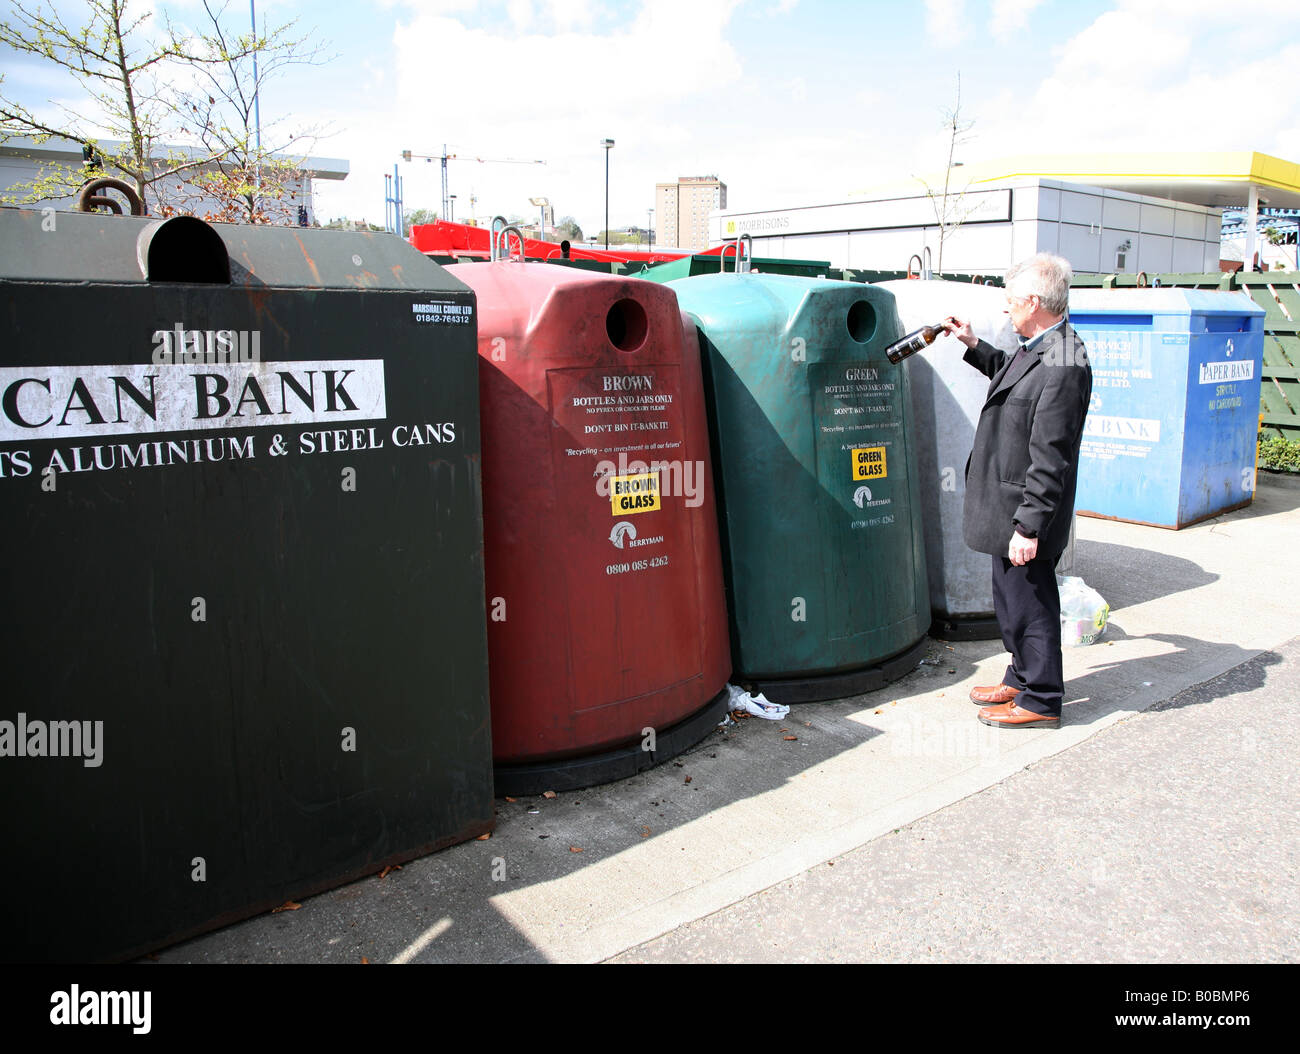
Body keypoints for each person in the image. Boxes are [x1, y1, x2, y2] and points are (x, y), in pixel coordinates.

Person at [945, 253, 1092, 729]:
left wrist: (1029, 526)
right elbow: (1014, 378)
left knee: (1031, 605)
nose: (1006, 309)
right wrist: (973, 344)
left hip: (1023, 512)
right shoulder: (1040, 346)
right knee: (1011, 603)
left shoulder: (1066, 361)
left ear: (1033, 302)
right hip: (1005, 505)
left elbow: (1052, 455)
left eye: (1011, 301)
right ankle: (1021, 676)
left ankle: (1041, 699)